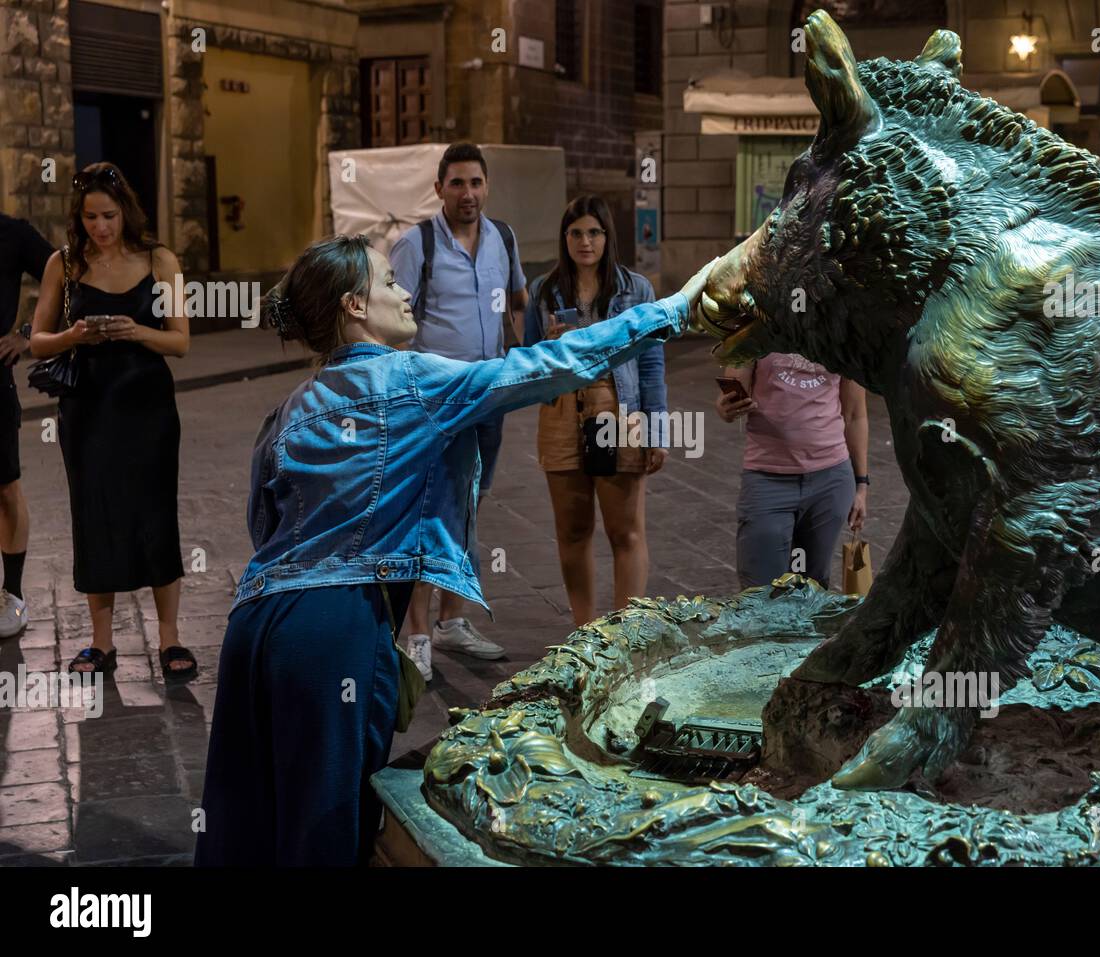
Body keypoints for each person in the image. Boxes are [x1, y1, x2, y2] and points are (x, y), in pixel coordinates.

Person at [193, 235, 711, 866]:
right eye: (388, 282)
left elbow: (263, 526)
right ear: (355, 305)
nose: (405, 291)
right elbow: (552, 363)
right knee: (325, 829)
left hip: (253, 626)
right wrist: (674, 309)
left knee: (244, 825)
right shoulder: (413, 381)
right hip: (332, 631)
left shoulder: (287, 410)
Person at [29, 162, 194, 680]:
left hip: (147, 406)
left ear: (126, 212)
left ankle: (169, 639)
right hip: (89, 409)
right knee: (95, 516)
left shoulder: (159, 259)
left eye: (109, 215)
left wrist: (134, 330)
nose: (101, 227)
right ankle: (102, 642)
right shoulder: (64, 264)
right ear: (78, 219)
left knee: (155, 513)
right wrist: (74, 337)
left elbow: (181, 341)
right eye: (91, 217)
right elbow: (37, 340)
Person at [389, 142, 527, 673]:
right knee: (431, 509)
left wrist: (520, 353)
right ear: (439, 187)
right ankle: (418, 638)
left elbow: (516, 303)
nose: (467, 193)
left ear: (486, 186)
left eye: (475, 183)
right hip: (435, 401)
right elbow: (393, 320)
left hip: (489, 396)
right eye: (457, 183)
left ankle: (451, 621)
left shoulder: (503, 238)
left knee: (469, 506)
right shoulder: (416, 242)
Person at [522, 195, 667, 627]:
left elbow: (652, 362)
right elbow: (528, 363)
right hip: (563, 411)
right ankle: (583, 633)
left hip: (617, 410)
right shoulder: (543, 291)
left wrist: (656, 431)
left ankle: (622, 637)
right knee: (572, 530)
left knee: (625, 530)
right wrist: (548, 346)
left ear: (607, 237)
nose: (585, 242)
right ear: (565, 238)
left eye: (594, 232)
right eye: (576, 233)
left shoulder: (636, 289)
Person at [715, 353, 869, 590]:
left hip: (831, 479)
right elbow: (732, 392)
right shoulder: (759, 325)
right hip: (767, 478)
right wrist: (726, 407)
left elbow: (855, 416)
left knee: (813, 589)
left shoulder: (840, 331)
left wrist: (861, 485)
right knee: (759, 591)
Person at [0, 212, 54, 638]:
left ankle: (12, 595)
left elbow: (66, 278)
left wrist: (27, 332)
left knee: (5, 488)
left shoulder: (12, 233)